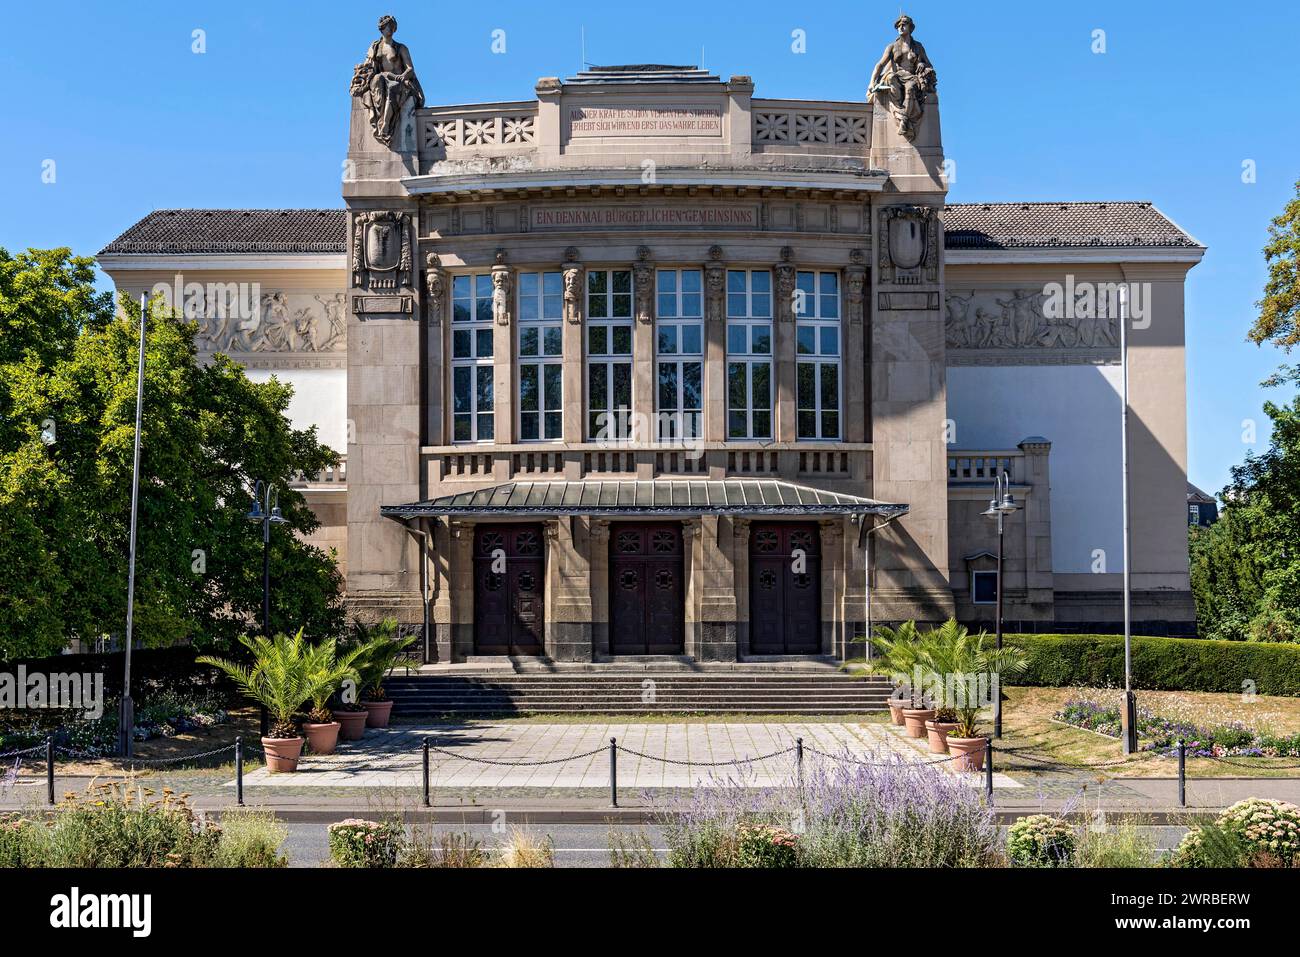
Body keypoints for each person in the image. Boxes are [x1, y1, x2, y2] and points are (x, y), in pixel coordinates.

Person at [867, 15, 937, 141]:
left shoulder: (918, 47)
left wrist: (922, 64)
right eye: (898, 25)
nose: (901, 27)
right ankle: (902, 118)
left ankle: (903, 119)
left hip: (911, 77)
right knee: (891, 78)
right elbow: (880, 64)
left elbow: (929, 65)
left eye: (904, 24)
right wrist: (872, 82)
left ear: (910, 28)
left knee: (910, 89)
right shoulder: (892, 46)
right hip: (897, 75)